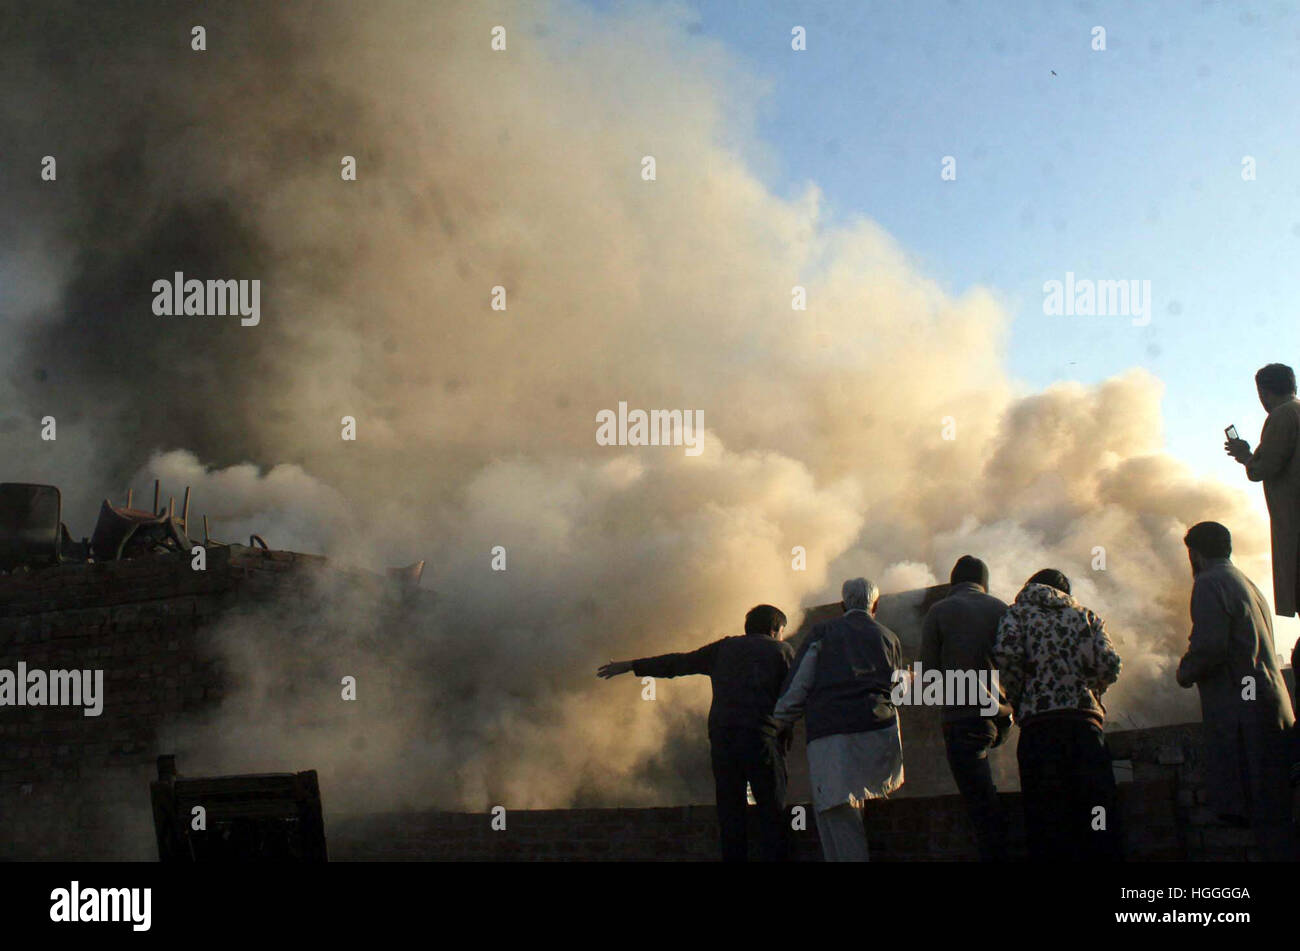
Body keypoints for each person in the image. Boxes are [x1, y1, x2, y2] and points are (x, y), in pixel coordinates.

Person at [597, 604, 794, 861]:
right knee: (772, 813)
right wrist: (785, 732)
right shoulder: (782, 651)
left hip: (723, 740)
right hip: (761, 738)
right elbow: (792, 698)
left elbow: (678, 663)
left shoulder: (723, 649)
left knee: (730, 815)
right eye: (782, 631)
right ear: (775, 629)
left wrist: (633, 665)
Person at [1175, 521, 1296, 860]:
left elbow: (1211, 647)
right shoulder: (1245, 582)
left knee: (1267, 821)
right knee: (1277, 814)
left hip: (1244, 717)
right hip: (1270, 707)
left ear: (1195, 553)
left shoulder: (1209, 583)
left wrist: (1185, 671)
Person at [993, 568, 1122, 861]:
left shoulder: (1017, 615)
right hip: (1084, 726)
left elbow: (1005, 655)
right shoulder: (1087, 617)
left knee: (1047, 820)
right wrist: (1090, 687)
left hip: (1039, 729)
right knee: (1098, 815)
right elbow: (1110, 665)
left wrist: (1019, 696)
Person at [773, 578, 904, 861]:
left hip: (833, 741)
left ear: (842, 605)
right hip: (881, 736)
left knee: (836, 817)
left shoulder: (823, 633)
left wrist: (774, 724)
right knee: (859, 809)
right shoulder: (889, 637)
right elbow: (898, 690)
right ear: (875, 605)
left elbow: (798, 688)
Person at [919, 555, 1011, 861]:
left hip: (962, 718)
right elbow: (1013, 664)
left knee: (980, 804)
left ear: (953, 581)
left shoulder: (939, 611)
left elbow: (929, 676)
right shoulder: (1001, 609)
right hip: (999, 716)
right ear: (984, 582)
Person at [1225, 363, 1300, 621]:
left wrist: (1246, 457)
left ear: (1264, 392)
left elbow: (1263, 469)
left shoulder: (1282, 415)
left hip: (1294, 526)